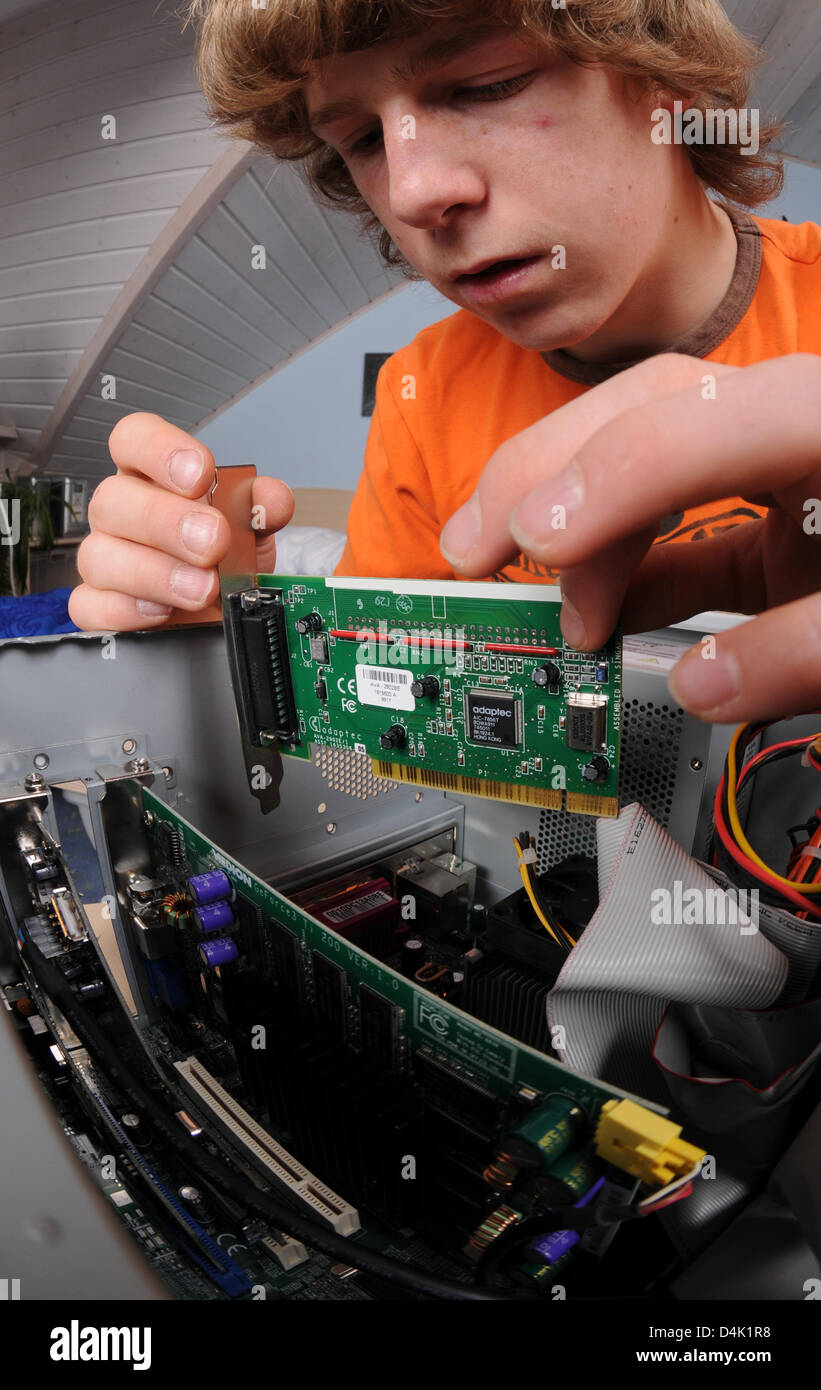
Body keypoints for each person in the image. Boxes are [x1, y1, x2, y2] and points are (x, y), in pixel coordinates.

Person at [68, 0, 821, 728]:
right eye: (363, 140)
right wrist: (232, 651)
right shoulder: (419, 391)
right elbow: (383, 723)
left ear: (666, 78)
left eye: (487, 85)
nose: (414, 190)